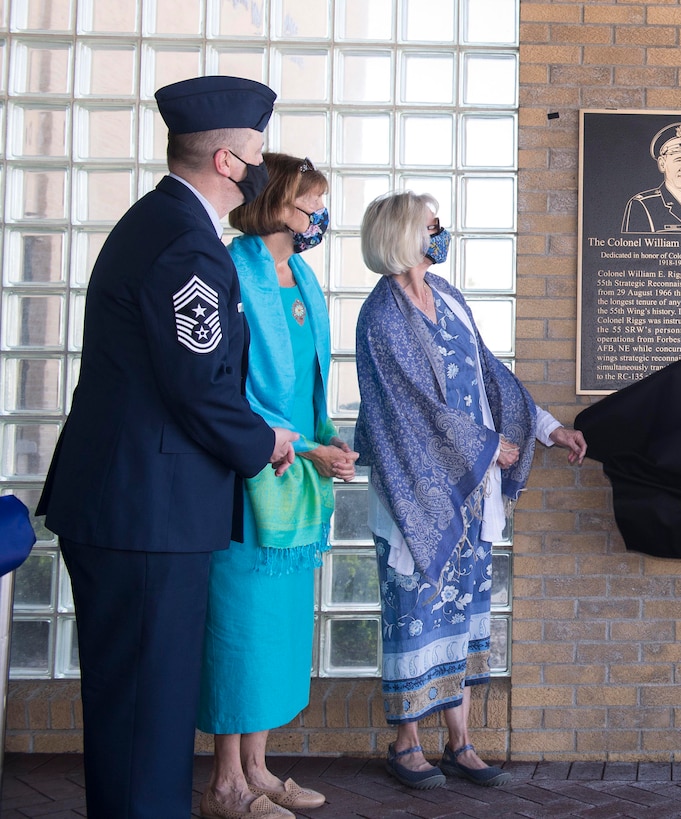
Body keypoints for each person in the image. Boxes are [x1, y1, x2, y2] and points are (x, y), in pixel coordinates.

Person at [35, 76, 299, 819]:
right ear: (225, 160)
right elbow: (198, 387)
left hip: (136, 505)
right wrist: (265, 440)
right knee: (146, 715)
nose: (260, 169)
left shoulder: (162, 225)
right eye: (254, 154)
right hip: (144, 511)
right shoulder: (185, 245)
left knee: (139, 711)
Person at [355, 191, 587, 790]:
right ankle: (406, 743)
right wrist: (490, 449)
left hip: (471, 492)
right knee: (413, 610)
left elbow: (493, 377)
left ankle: (460, 742)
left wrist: (547, 427)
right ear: (406, 234)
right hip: (417, 497)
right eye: (434, 224)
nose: (442, 232)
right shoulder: (382, 317)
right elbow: (409, 411)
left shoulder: (450, 301)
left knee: (460, 614)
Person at [195, 153, 359, 819]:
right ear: (275, 205)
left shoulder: (305, 278)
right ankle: (226, 783)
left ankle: (259, 769)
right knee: (239, 627)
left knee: (277, 632)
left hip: (300, 479)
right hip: (247, 477)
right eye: (308, 205)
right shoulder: (233, 269)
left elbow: (311, 379)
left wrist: (330, 442)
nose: (318, 217)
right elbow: (223, 383)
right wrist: (299, 445)